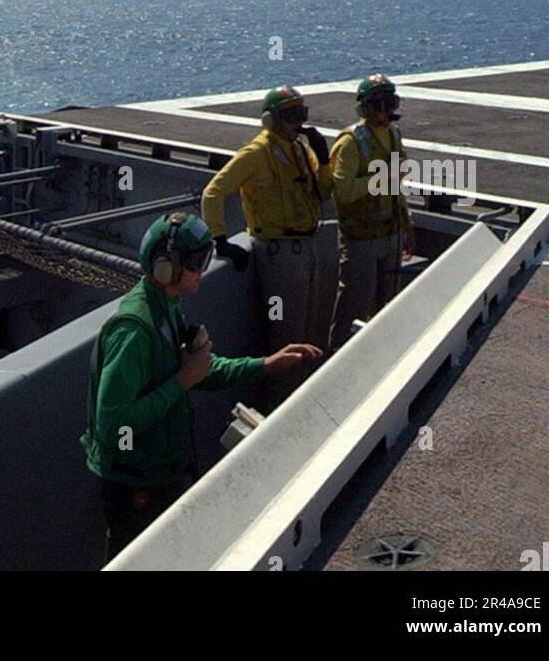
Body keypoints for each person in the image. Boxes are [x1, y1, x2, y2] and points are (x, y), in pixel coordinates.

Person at [82, 211, 321, 562]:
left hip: (161, 473)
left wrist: (265, 365)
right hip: (136, 486)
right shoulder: (133, 330)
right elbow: (114, 422)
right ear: (167, 269)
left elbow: (200, 370)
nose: (203, 270)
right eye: (196, 263)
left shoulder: (165, 307)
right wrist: (182, 382)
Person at [201, 86, 333, 358]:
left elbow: (322, 193)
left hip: (307, 247)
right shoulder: (256, 153)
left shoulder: (299, 150)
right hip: (279, 255)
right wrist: (220, 240)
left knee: (310, 330)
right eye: (291, 115)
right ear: (271, 120)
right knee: (286, 337)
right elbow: (212, 192)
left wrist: (323, 160)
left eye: (301, 114)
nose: (299, 122)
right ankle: (282, 394)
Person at [328, 73, 415, 350]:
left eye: (390, 102)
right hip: (361, 239)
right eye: (380, 104)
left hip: (391, 233)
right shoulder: (351, 143)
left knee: (387, 303)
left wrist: (407, 225)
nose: (387, 111)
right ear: (365, 108)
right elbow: (343, 191)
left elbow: (395, 187)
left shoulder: (392, 135)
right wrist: (382, 177)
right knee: (354, 304)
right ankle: (336, 355)